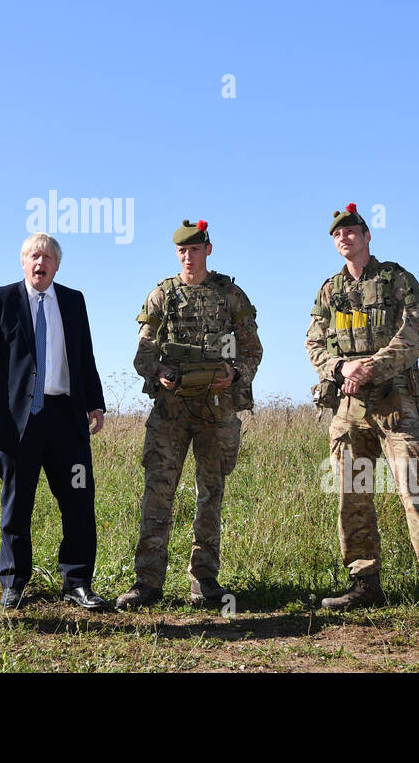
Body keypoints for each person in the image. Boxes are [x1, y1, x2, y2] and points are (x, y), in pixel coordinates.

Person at [305, 203, 419, 621]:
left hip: (396, 404)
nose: (345, 238)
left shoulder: (396, 280)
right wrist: (340, 368)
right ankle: (364, 584)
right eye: (338, 234)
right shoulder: (329, 291)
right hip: (350, 408)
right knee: (352, 495)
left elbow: (413, 336)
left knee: (416, 491)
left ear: (367, 236)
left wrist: (369, 367)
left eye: (352, 231)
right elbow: (314, 343)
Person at [0, 233, 109, 611]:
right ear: (23, 262)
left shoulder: (73, 301)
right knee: (17, 504)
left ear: (57, 265)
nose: (40, 263)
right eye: (33, 256)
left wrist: (95, 404)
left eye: (47, 257)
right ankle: (14, 582)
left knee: (78, 500)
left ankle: (77, 582)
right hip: (16, 424)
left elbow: (84, 355)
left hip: (66, 421)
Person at [115, 219, 262, 611]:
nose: (188, 256)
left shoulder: (230, 295)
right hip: (171, 412)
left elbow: (252, 349)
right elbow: (143, 351)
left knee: (209, 495)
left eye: (195, 249)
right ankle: (148, 583)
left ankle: (204, 581)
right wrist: (158, 371)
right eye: (182, 250)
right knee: (158, 495)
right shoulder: (162, 296)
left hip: (217, 410)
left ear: (207, 250)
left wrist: (234, 373)